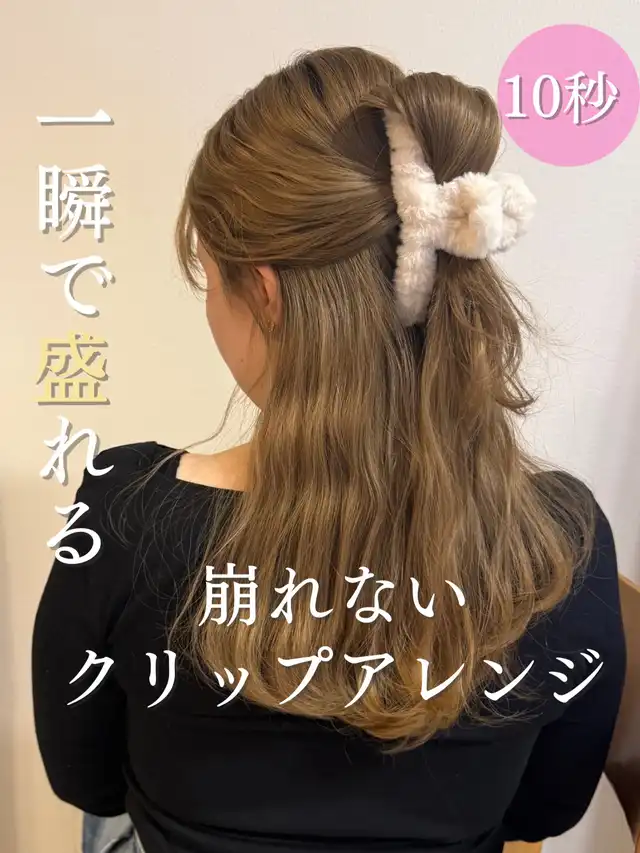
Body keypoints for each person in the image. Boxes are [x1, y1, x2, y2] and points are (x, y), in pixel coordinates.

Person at [32, 46, 626, 853]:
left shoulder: (124, 508)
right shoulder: (562, 542)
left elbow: (88, 777)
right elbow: (546, 809)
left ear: (264, 292)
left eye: (209, 274)